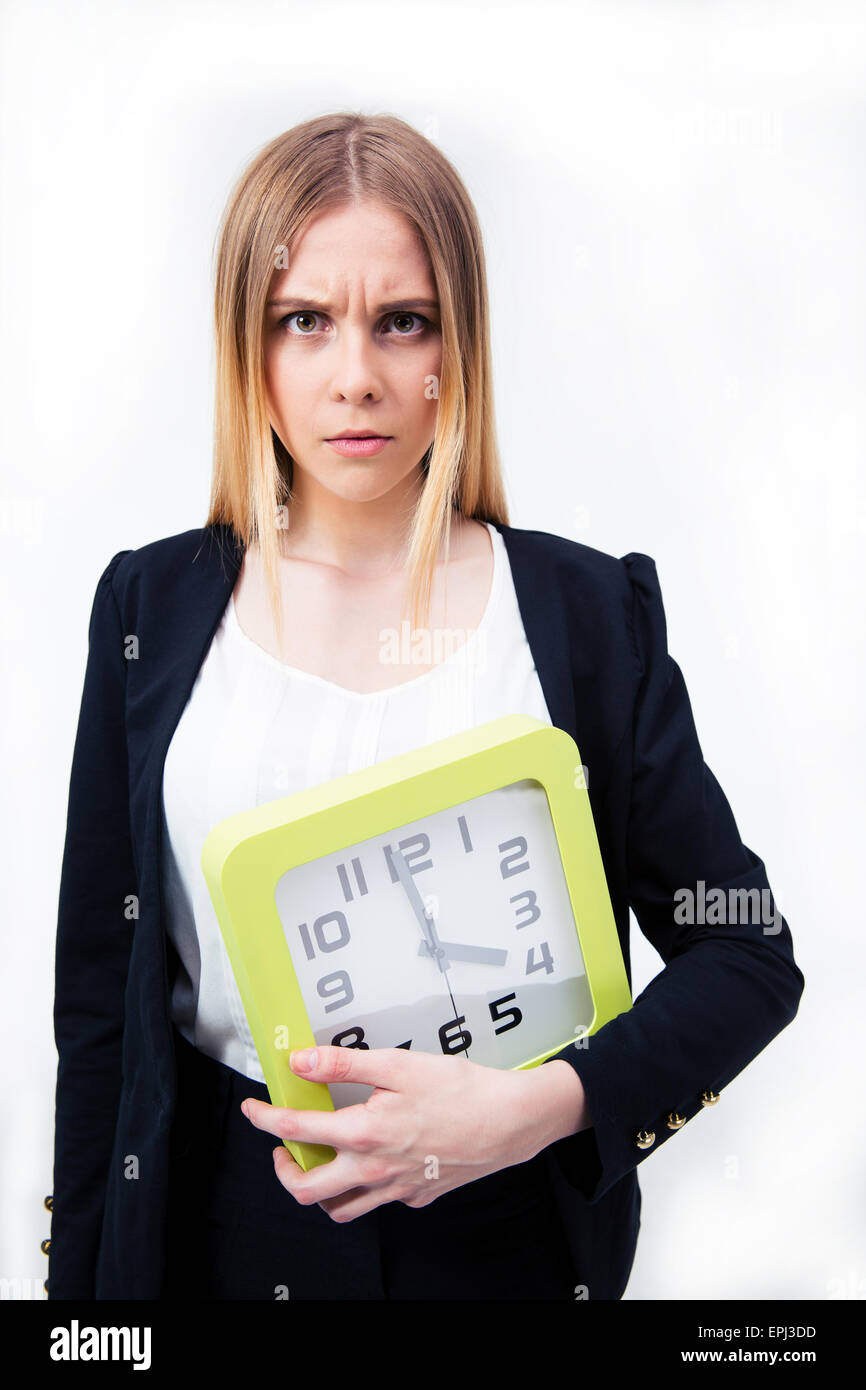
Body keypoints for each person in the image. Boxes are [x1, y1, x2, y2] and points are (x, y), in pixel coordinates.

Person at [47, 111, 805, 1301]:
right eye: (305, 321)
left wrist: (533, 1108)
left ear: (459, 348)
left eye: (403, 322)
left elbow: (745, 956)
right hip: (211, 1235)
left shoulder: (582, 616)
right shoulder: (150, 605)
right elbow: (99, 1008)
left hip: (501, 1241)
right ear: (248, 347)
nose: (356, 374)